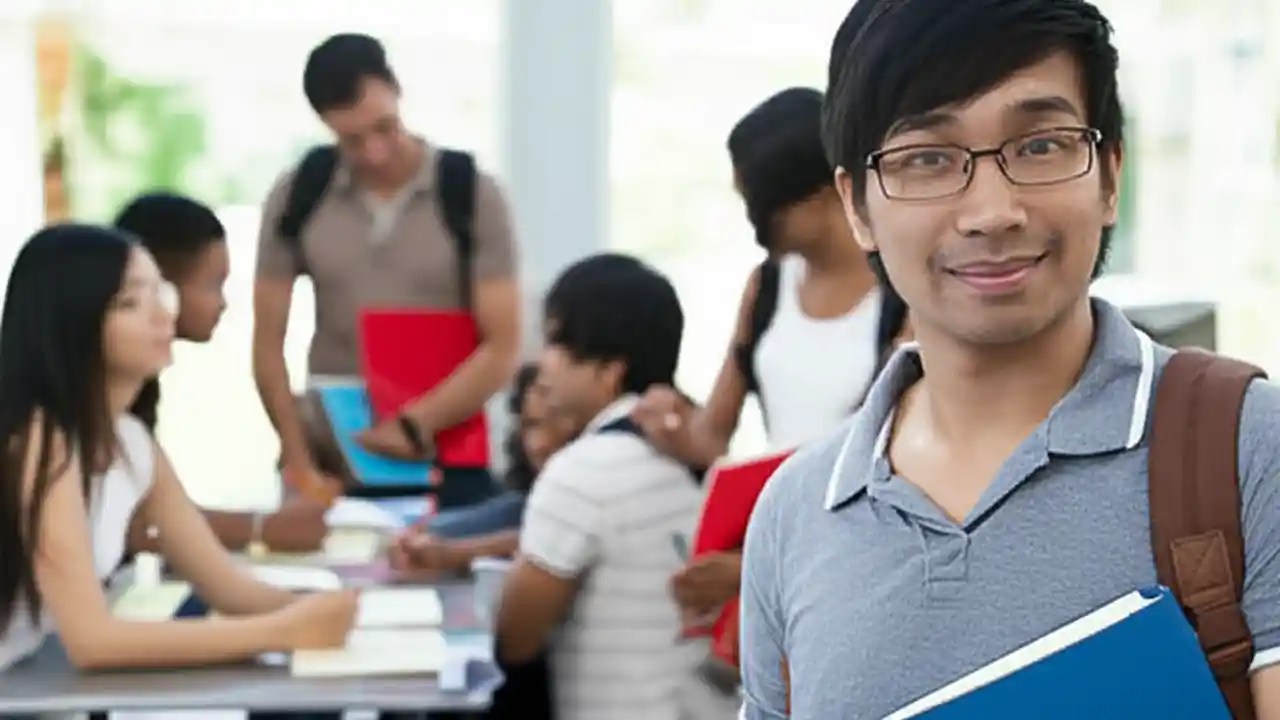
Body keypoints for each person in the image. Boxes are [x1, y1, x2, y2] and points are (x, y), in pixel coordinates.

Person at [738, 1, 1280, 718]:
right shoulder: (795, 514)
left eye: (1040, 146)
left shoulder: (1244, 448)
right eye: (928, 158)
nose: (992, 211)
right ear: (858, 206)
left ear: (1110, 175)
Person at [0, 224, 356, 677]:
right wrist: (284, 630)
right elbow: (93, 642)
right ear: (74, 323)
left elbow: (229, 589)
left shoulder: (131, 443)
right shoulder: (38, 438)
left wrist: (331, 610)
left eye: (160, 294)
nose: (163, 316)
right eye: (131, 303)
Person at [633, 87, 911, 646]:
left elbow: (894, 471)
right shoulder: (765, 288)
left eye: (754, 204)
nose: (751, 224)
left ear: (818, 192)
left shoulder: (904, 291)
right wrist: (669, 424)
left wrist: (746, 569)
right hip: (779, 553)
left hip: (860, 569)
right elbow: (713, 434)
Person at [252, 33, 520, 508]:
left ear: (397, 89)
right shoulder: (298, 195)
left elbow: (504, 343)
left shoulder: (472, 194)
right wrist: (297, 457)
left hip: (448, 455)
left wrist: (415, 424)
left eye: (385, 127)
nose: (375, 152)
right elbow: (267, 342)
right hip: (332, 454)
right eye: (352, 139)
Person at [494, 254, 734, 719]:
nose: (543, 365)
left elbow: (516, 638)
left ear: (609, 371)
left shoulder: (584, 472)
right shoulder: (698, 457)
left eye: (555, 345)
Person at [115, 191, 329, 555]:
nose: (224, 303)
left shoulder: (138, 397)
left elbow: (159, 512)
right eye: (213, 285)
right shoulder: (93, 403)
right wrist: (265, 529)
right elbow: (137, 525)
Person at [389, 362, 575, 574]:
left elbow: (548, 538)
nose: (538, 444)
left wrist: (455, 554)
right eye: (531, 425)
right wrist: (418, 538)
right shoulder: (527, 504)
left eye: (554, 424)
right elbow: (498, 520)